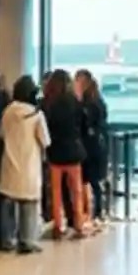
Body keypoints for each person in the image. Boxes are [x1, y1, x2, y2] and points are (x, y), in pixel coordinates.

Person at [0, 76, 49, 254]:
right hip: (29, 163)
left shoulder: (7, 111)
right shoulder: (36, 114)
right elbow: (45, 140)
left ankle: (6, 240)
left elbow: (1, 133)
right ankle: (27, 240)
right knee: (29, 204)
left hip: (9, 161)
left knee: (8, 203)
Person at [42, 69, 88, 239]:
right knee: (76, 189)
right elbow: (83, 123)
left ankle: (58, 225)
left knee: (56, 190)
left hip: (55, 151)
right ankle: (79, 224)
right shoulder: (74, 102)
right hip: (73, 150)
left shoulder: (47, 103)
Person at [75, 69, 110, 228]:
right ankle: (94, 212)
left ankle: (95, 212)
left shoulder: (90, 103)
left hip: (91, 147)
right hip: (94, 146)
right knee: (91, 180)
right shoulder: (96, 100)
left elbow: (89, 124)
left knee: (91, 180)